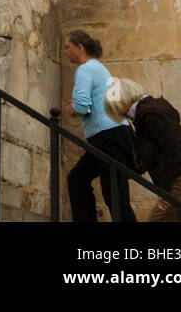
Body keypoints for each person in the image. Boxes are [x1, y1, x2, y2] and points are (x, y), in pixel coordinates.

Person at [104, 77, 181, 222]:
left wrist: (166, 191)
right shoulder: (153, 112)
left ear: (120, 104)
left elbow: (172, 150)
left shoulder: (149, 115)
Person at [65, 29, 137, 222]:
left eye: (68, 47)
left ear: (79, 47)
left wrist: (72, 109)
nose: (65, 52)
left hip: (108, 136)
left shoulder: (85, 69)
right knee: (79, 180)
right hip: (111, 135)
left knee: (115, 195)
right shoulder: (98, 67)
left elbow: (82, 104)